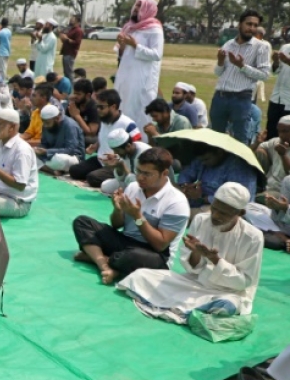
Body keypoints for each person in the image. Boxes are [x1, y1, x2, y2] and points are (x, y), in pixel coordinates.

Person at [117, 183, 264, 325]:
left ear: (240, 213)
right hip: (194, 283)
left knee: (227, 305)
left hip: (228, 292)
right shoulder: (201, 220)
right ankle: (192, 312)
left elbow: (245, 281)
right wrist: (196, 253)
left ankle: (188, 309)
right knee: (140, 276)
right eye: (214, 208)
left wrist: (215, 260)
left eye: (224, 213)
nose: (215, 215)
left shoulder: (253, 237)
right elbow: (191, 269)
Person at [72, 147, 190, 284]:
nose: (140, 177)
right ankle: (105, 265)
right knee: (82, 222)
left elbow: (160, 245)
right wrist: (117, 210)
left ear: (164, 173)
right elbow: (116, 225)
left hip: (154, 255)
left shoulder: (176, 202)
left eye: (147, 174)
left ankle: (97, 257)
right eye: (138, 171)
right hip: (125, 242)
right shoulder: (134, 187)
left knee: (132, 256)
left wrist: (137, 217)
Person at [210, 9, 271, 145]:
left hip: (241, 98)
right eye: (249, 24)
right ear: (240, 25)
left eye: (255, 25)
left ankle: (238, 160)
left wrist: (242, 66)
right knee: (216, 138)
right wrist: (220, 61)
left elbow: (265, 75)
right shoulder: (228, 44)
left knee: (240, 140)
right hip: (220, 96)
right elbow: (218, 73)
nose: (252, 28)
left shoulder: (261, 47)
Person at [68, 89, 143, 190]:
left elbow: (136, 146)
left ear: (113, 107)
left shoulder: (128, 124)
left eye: (101, 107)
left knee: (92, 178)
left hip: (116, 164)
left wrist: (118, 159)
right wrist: (95, 146)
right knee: (74, 170)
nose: (98, 110)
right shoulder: (104, 120)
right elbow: (103, 137)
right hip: (100, 160)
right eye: (97, 106)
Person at [114, 0, 165, 133]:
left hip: (142, 80)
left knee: (140, 111)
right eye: (135, 5)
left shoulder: (155, 29)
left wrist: (135, 45)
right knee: (122, 106)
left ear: (148, 9)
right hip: (126, 76)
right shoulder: (130, 27)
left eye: (139, 6)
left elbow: (157, 55)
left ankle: (140, 141)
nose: (135, 9)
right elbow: (123, 55)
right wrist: (122, 45)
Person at [178, 142, 258, 214]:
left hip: (225, 206)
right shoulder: (202, 160)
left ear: (219, 153)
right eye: (201, 160)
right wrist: (185, 186)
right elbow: (186, 173)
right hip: (200, 199)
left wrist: (202, 197)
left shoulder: (239, 168)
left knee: (191, 215)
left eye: (206, 159)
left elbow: (237, 200)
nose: (203, 163)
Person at [99, 129, 153, 195]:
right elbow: (120, 179)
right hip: (130, 182)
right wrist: (118, 167)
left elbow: (137, 183)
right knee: (105, 186)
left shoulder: (145, 154)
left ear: (128, 146)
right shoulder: (126, 152)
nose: (115, 153)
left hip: (146, 186)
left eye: (117, 150)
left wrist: (123, 165)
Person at [35, 103, 85, 174]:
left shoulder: (70, 126)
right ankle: (52, 170)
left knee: (60, 160)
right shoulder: (45, 125)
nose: (45, 125)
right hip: (51, 155)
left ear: (57, 118)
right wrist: (38, 149)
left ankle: (44, 167)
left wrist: (47, 151)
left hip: (72, 157)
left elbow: (70, 150)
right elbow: (44, 143)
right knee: (31, 155)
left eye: (47, 123)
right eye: (43, 122)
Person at [256, 115, 290, 196]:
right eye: (279, 131)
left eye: (284, 131)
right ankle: (259, 184)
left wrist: (283, 155)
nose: (281, 135)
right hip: (268, 186)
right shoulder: (276, 142)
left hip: (283, 192)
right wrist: (257, 143)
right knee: (259, 152)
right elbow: (258, 149)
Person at [267, 39, 290, 140]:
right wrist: (276, 61)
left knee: (286, 135)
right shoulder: (285, 47)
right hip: (276, 98)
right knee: (271, 131)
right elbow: (276, 71)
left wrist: (288, 61)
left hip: (288, 101)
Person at [58, 14, 84, 79]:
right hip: (66, 52)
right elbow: (65, 41)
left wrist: (67, 38)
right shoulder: (71, 29)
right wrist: (61, 35)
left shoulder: (78, 30)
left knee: (69, 72)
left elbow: (77, 43)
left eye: (73, 18)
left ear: (77, 20)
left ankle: (71, 85)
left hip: (70, 53)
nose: (70, 19)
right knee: (66, 72)